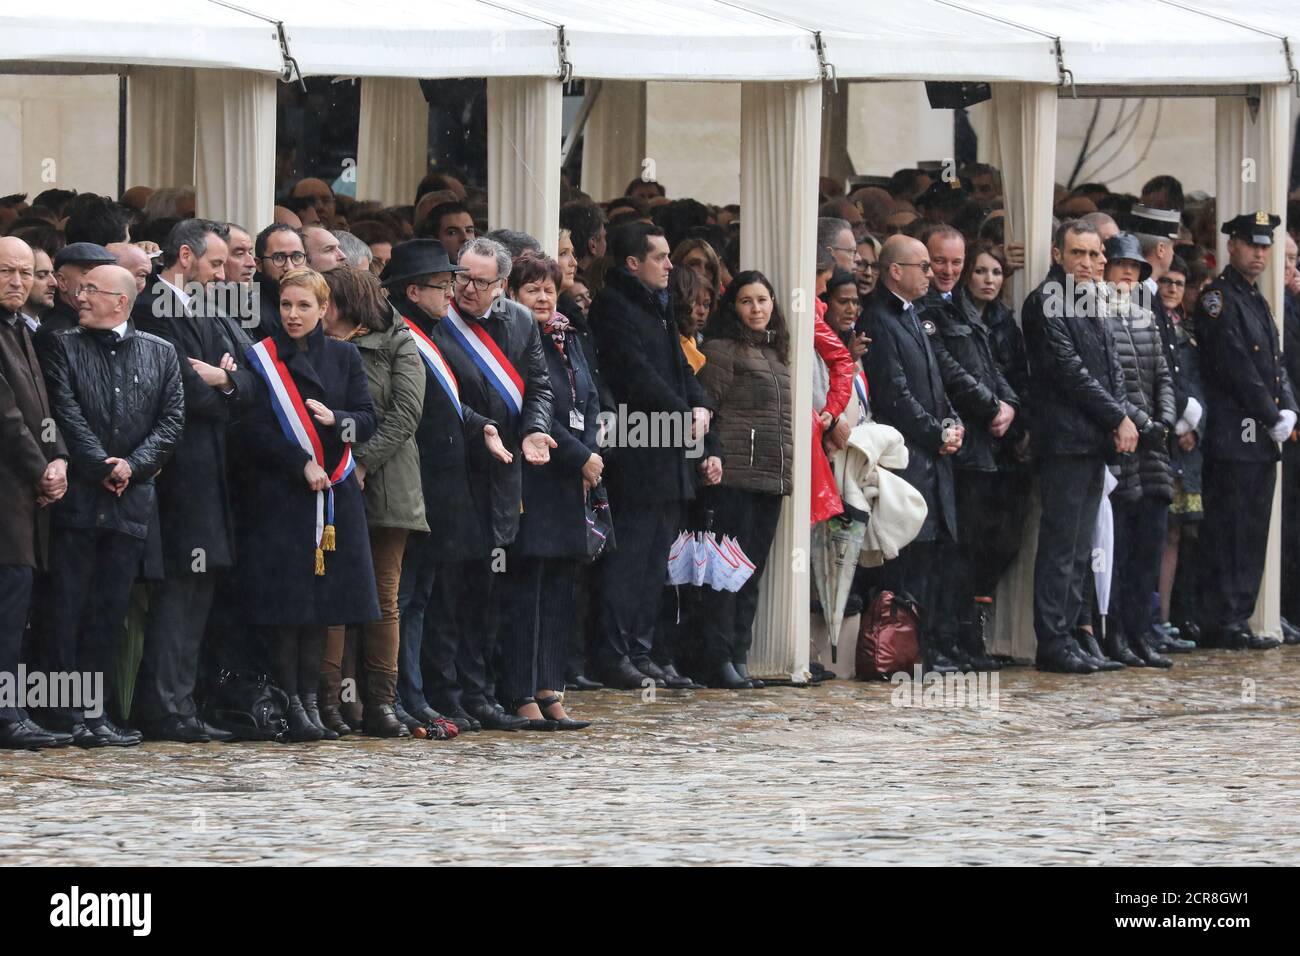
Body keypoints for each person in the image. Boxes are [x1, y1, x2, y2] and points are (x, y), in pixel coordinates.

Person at [42, 264, 185, 746]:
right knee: (66, 610)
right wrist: (103, 465)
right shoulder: (60, 344)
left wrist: (133, 465)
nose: (80, 298)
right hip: (78, 502)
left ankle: (95, 712)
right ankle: (64, 715)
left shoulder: (161, 352)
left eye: (91, 291)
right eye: (79, 289)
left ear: (121, 301)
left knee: (109, 613)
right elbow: (63, 411)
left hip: (130, 508)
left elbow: (171, 422)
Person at [238, 267, 379, 741]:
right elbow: (253, 428)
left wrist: (335, 418)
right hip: (283, 496)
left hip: (333, 497)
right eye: (286, 305)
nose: (293, 315)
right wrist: (299, 462)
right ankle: (291, 700)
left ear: (324, 310)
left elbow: (367, 418)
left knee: (322, 605)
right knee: (289, 605)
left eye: (304, 306)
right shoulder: (262, 357)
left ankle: (315, 700)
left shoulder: (343, 357)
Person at [383, 240, 513, 735]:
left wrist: (480, 424)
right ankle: (398, 693)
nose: (453, 292)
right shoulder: (401, 335)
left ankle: (415, 693)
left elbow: (448, 404)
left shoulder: (427, 332)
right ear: (413, 290)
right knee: (404, 598)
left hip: (439, 488)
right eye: (443, 284)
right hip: (413, 488)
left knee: (420, 599)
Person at [132, 219, 253, 742]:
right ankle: (163, 706)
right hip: (177, 473)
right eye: (216, 263)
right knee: (179, 588)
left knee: (198, 590)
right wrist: (222, 389)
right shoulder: (151, 307)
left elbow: (248, 376)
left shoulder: (205, 308)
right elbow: (179, 385)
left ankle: (182, 701)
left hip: (211, 468)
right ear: (185, 256)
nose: (224, 273)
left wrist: (226, 381)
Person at [430, 236, 557, 729]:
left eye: (480, 282)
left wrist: (536, 431)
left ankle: (480, 694)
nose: (466, 288)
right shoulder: (440, 324)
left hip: (503, 476)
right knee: (448, 594)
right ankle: (448, 693)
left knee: (487, 592)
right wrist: (478, 424)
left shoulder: (520, 321)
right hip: (454, 469)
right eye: (461, 276)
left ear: (502, 286)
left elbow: (539, 386)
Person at [591, 222, 718, 689]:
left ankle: (642, 650)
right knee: (629, 560)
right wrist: (684, 413)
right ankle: (614, 652)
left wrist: (700, 404)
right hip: (636, 450)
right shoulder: (614, 306)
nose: (670, 265)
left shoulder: (657, 305)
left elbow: (680, 367)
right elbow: (634, 373)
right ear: (632, 263)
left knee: (654, 562)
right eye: (660, 257)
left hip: (667, 452)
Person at [316, 266, 432, 738]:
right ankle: (333, 701)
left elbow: (406, 411)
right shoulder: (315, 344)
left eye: (327, 300)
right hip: (328, 481)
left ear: (345, 303)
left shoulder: (398, 340)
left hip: (387, 483)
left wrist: (361, 462)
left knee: (384, 596)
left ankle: (381, 702)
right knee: (335, 595)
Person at [1021, 220, 1137, 674]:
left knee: (1079, 548)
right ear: (1058, 255)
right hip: (1064, 441)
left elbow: (1112, 368)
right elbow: (1069, 372)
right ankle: (1053, 641)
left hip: (1091, 442)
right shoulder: (1045, 303)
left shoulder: (1093, 302)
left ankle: (1071, 634)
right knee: (1060, 545)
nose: (1087, 263)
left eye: (1093, 255)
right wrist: (1117, 416)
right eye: (1077, 254)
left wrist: (1121, 414)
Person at [499, 254, 599, 729]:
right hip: (535, 473)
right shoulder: (515, 338)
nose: (542, 298)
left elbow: (589, 399)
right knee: (527, 588)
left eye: (548, 290)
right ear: (513, 295)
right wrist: (580, 455)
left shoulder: (568, 338)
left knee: (560, 586)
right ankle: (520, 690)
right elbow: (535, 406)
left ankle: (550, 687)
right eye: (531, 289)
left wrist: (591, 455)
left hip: (570, 480)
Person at [863, 235, 965, 673]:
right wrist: (934, 432)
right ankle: (902, 649)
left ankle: (930, 646)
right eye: (922, 265)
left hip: (931, 454)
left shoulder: (914, 315)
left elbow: (935, 385)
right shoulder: (880, 318)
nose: (931, 273)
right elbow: (896, 393)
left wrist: (952, 423)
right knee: (907, 560)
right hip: (908, 457)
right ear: (895, 271)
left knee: (933, 557)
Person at [1195, 212, 1296, 650]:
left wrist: (1289, 407)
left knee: (1253, 527)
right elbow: (1236, 366)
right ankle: (1220, 617)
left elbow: (1274, 365)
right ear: (1232, 246)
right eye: (1251, 244)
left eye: (1265, 246)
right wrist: (1272, 414)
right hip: (1236, 431)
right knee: (1230, 528)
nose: (1259, 253)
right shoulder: (1218, 298)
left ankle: (1238, 612)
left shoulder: (1255, 298)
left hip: (1260, 436)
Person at [920, 226, 1019, 671]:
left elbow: (991, 364)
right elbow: (949, 370)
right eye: (940, 261)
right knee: (951, 553)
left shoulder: (963, 308)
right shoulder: (926, 313)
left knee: (978, 550)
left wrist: (1009, 406)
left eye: (955, 263)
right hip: (954, 446)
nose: (948, 271)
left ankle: (965, 642)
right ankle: (944, 642)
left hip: (985, 447)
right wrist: (990, 405)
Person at [693, 272, 793, 688]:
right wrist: (708, 456)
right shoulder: (721, 351)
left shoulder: (778, 353)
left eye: (763, 300)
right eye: (746, 301)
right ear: (733, 307)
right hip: (732, 476)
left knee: (751, 574)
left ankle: (738, 654)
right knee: (724, 574)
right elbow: (704, 409)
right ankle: (716, 658)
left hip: (770, 478)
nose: (756, 309)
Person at [0, 237, 71, 748]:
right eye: (6, 272)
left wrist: (60, 457)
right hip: (8, 491)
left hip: (25, 492)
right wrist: (41, 469)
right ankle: (6, 713)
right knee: (8, 602)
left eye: (25, 273)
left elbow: (43, 408)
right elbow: (5, 417)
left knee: (17, 601)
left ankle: (13, 707)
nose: (18, 282)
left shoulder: (21, 329)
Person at [1102, 233, 1177, 669]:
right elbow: (1113, 383)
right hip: (1124, 444)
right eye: (1121, 266)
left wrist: (1162, 420)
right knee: (1121, 548)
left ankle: (1141, 632)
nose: (1128, 273)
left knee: (1149, 544)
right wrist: (1144, 422)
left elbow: (1163, 375)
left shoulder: (1144, 317)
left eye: (1135, 267)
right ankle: (1117, 636)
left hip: (1153, 449)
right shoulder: (1097, 316)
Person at [31, 242, 118, 361]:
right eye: (88, 273)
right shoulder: (56, 335)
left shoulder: (108, 325)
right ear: (62, 281)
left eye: (105, 274)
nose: (99, 281)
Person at [251, 223, 306, 341]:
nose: (290, 267)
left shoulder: (317, 304)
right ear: (259, 265)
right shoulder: (251, 314)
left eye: (297, 257)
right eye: (279, 258)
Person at [670, 264, 712, 373]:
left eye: (706, 305)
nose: (702, 311)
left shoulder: (703, 341)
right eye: (694, 302)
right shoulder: (672, 341)